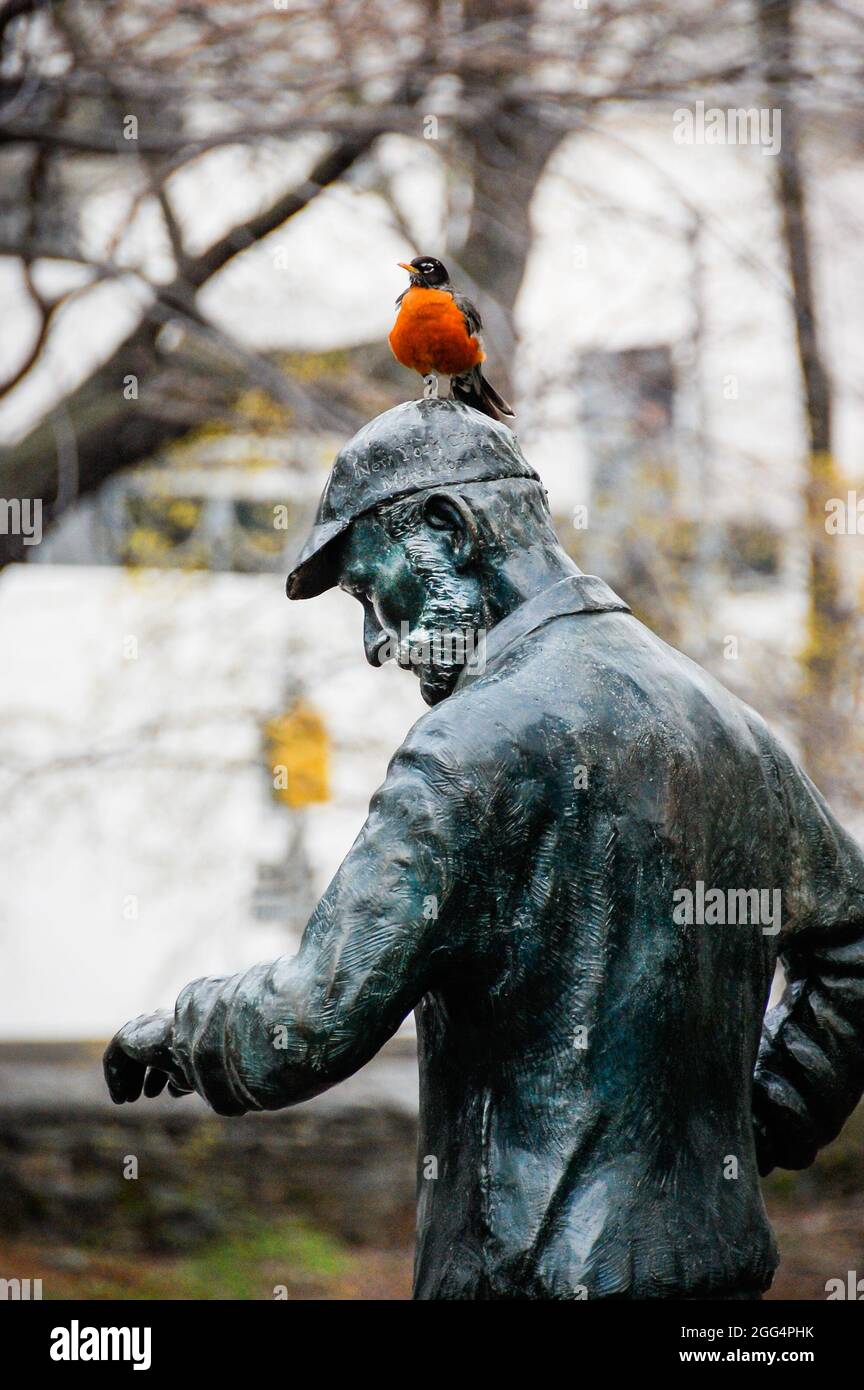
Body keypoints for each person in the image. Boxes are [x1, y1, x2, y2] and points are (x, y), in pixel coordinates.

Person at [105, 398, 864, 1300]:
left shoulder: (469, 749)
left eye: (368, 592)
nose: (375, 644)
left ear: (450, 530)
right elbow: (854, 947)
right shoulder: (728, 725)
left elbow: (312, 1019)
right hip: (716, 1282)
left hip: (528, 1279)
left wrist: (179, 1029)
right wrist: (759, 1122)